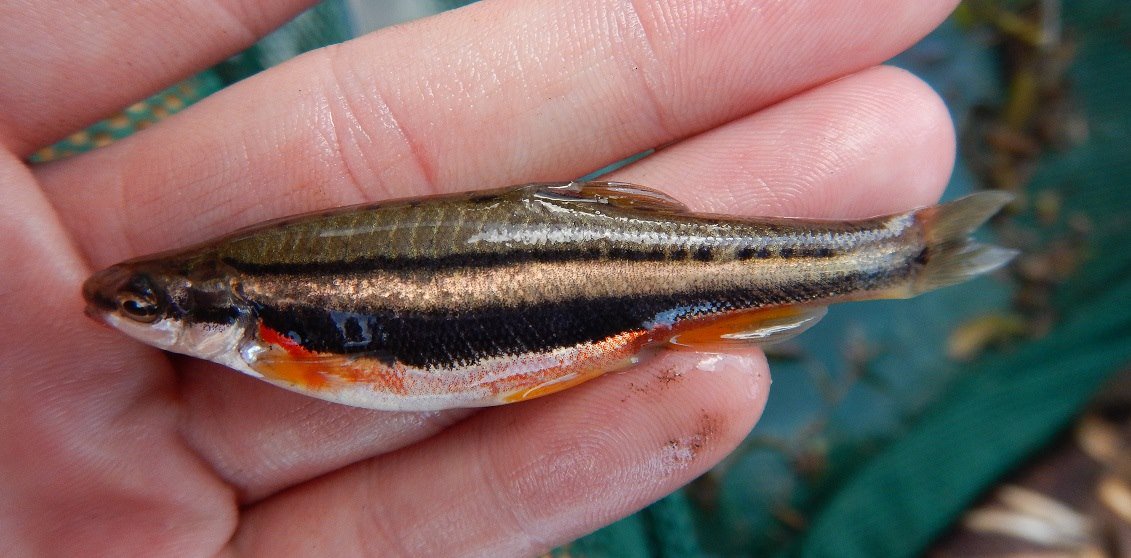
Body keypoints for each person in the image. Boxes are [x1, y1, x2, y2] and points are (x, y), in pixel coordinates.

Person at [0, 1, 961, 555]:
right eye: (143, 307)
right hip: (559, 281)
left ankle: (888, 255)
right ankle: (889, 256)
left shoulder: (265, 332)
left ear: (216, 309)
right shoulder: (254, 321)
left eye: (148, 308)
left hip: (569, 279)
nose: (123, 314)